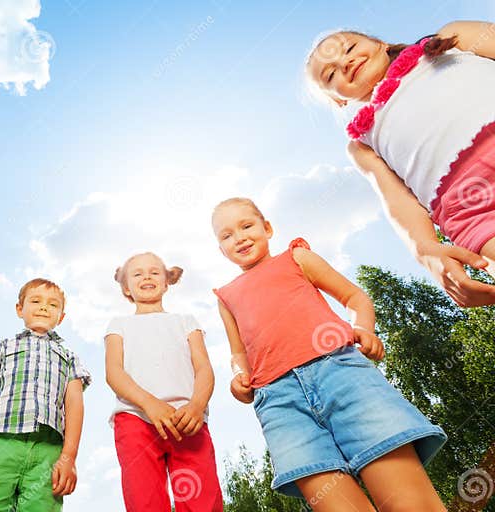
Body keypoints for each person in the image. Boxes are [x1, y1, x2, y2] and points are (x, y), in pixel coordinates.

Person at [212, 197, 447, 511]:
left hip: (341, 376)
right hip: (281, 403)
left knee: (408, 502)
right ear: (220, 249)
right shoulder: (225, 296)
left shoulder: (297, 258)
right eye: (226, 235)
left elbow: (353, 296)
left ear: (267, 228)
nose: (239, 237)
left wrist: (363, 327)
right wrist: (239, 376)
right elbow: (238, 351)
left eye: (246, 225)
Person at [307, 21, 495, 307]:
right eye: (331, 74)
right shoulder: (362, 143)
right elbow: (397, 202)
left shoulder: (449, 41)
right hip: (472, 210)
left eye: (351, 48)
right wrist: (425, 250)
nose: (345, 63)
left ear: (380, 43)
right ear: (337, 100)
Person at [0, 278, 91, 512]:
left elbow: (75, 404)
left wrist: (69, 457)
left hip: (48, 449)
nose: (44, 307)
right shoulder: (3, 347)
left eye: (53, 304)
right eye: (36, 301)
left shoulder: (70, 356)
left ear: (62, 317)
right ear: (19, 309)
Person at [105, 252, 223, 511]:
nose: (146, 276)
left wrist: (196, 406)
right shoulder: (119, 325)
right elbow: (114, 373)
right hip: (135, 418)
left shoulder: (185, 321)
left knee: (201, 498)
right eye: (137, 273)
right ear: (126, 287)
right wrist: (149, 404)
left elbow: (203, 368)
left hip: (186, 419)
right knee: (144, 499)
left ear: (167, 282)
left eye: (154, 272)